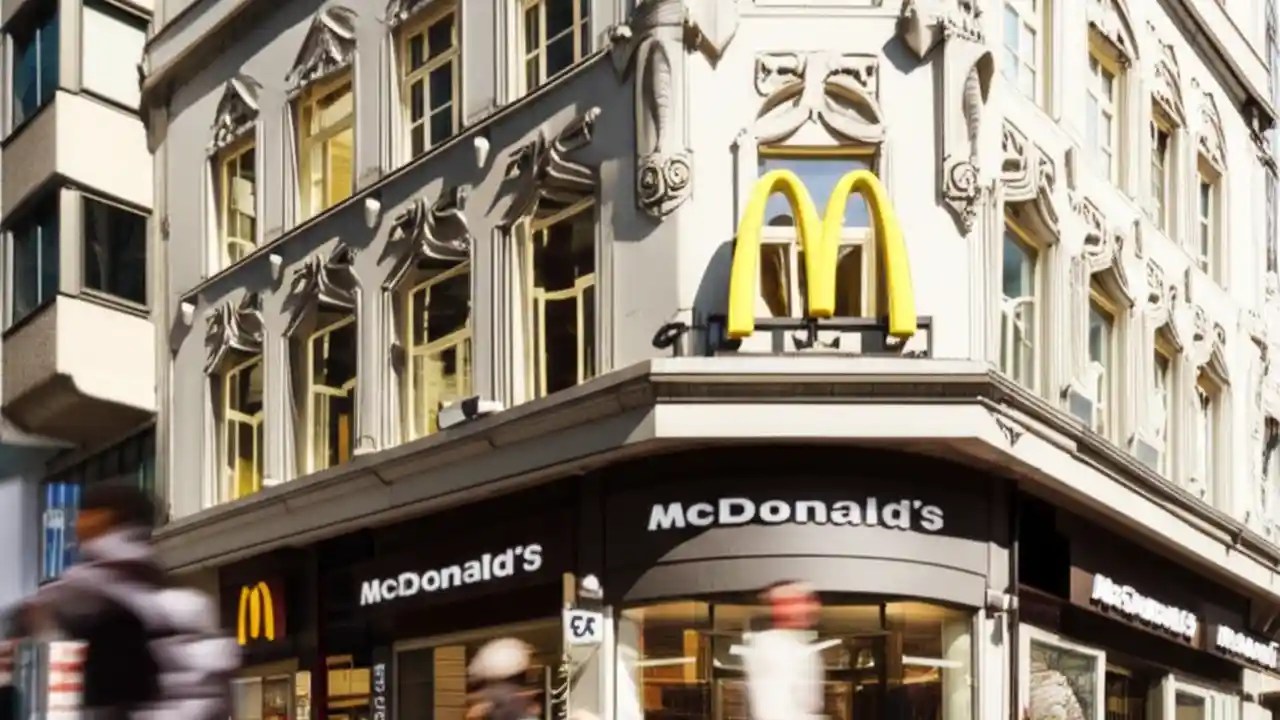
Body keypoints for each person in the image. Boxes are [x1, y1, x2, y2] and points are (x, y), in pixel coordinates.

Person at [6, 483, 239, 719]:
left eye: (84, 514)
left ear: (104, 518)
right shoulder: (187, 602)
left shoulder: (91, 592)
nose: (77, 524)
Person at [742, 580, 824, 720]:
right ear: (780, 608)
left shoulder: (803, 648)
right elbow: (772, 710)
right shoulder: (769, 646)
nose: (812, 607)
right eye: (800, 602)